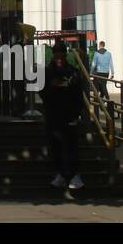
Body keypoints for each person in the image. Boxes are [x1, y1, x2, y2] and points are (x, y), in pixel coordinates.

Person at [41, 41, 86, 190]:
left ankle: (74, 174)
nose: (58, 56)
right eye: (56, 54)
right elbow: (42, 92)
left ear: (65, 55)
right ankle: (60, 173)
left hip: (69, 114)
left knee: (71, 146)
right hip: (53, 114)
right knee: (55, 146)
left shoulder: (72, 72)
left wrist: (77, 113)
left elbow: (78, 94)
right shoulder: (47, 72)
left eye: (61, 53)